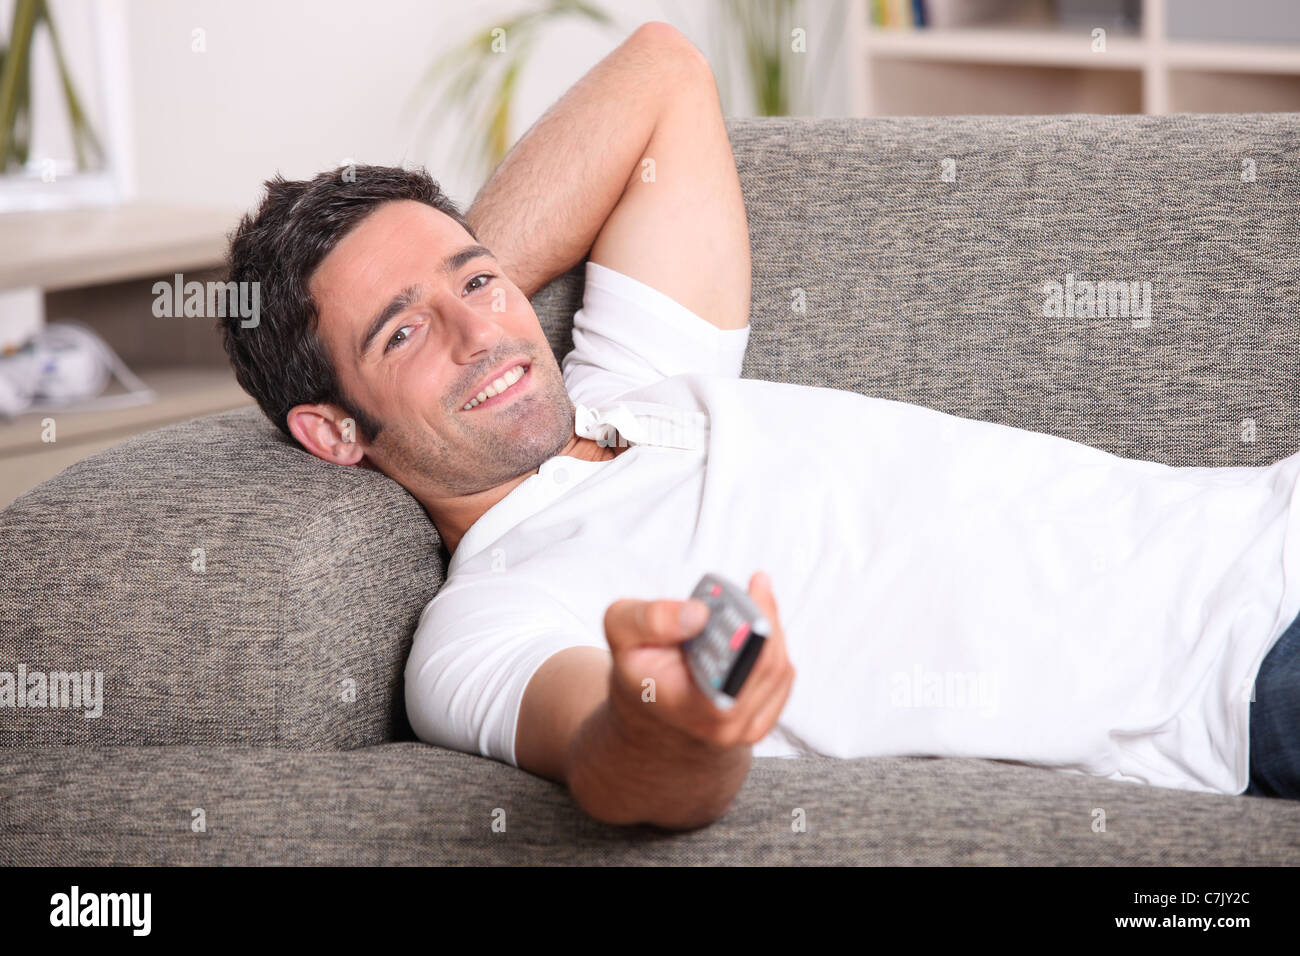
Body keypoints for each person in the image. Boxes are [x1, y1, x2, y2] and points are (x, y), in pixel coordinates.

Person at [220, 22, 1300, 829]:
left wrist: (443, 286)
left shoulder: (633, 378)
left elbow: (660, 71)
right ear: (331, 432)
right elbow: (615, 761)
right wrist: (676, 716)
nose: (484, 333)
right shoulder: (480, 627)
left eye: (481, 281)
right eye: (402, 337)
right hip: (1243, 674)